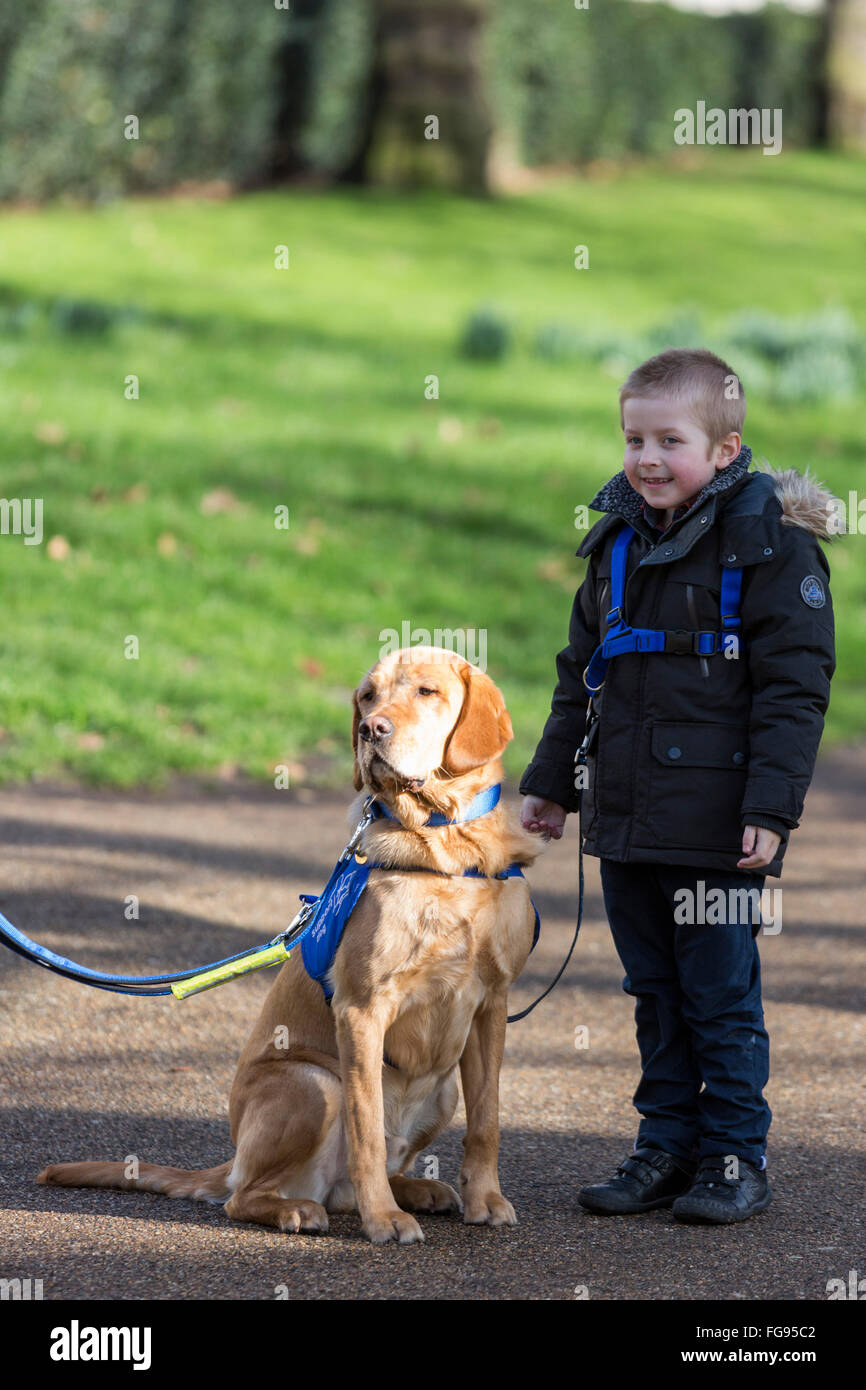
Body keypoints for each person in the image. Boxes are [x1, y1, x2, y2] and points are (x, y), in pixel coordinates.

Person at [520, 348, 837, 1223]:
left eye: (671, 440)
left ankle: (736, 1156)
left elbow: (794, 691)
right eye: (634, 439)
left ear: (727, 450)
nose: (648, 459)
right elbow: (579, 672)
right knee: (654, 994)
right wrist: (550, 784)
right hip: (625, 823)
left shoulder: (772, 550)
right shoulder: (616, 545)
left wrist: (771, 810)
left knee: (720, 996)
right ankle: (665, 1145)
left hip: (720, 828)